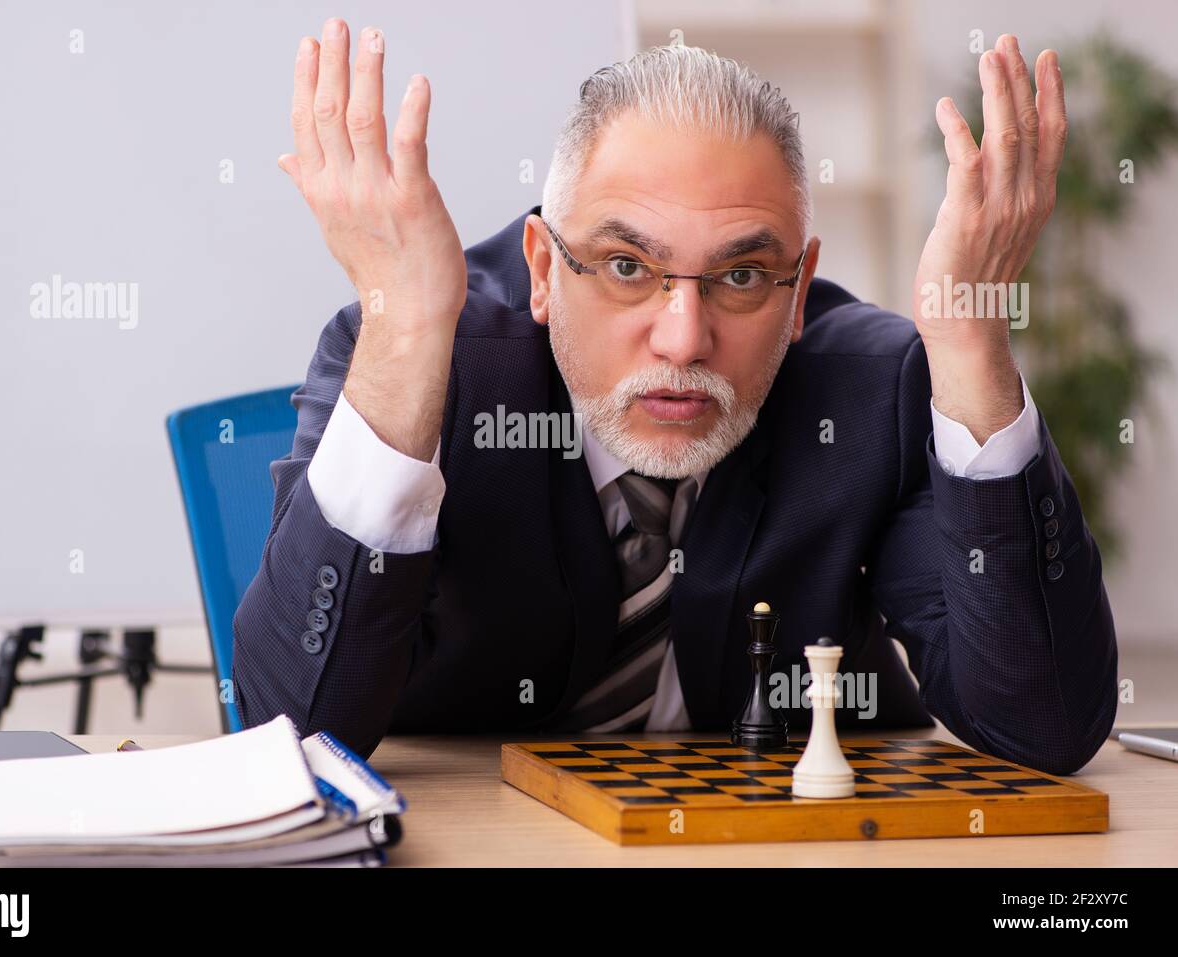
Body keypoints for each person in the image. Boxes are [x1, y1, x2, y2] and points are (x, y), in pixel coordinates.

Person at [232, 18, 1116, 776]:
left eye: (741, 274)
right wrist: (404, 339)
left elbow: (1039, 728)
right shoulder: (425, 356)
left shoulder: (872, 389)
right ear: (543, 269)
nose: (684, 338)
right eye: (626, 267)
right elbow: (293, 735)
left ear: (801, 288)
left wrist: (971, 342)